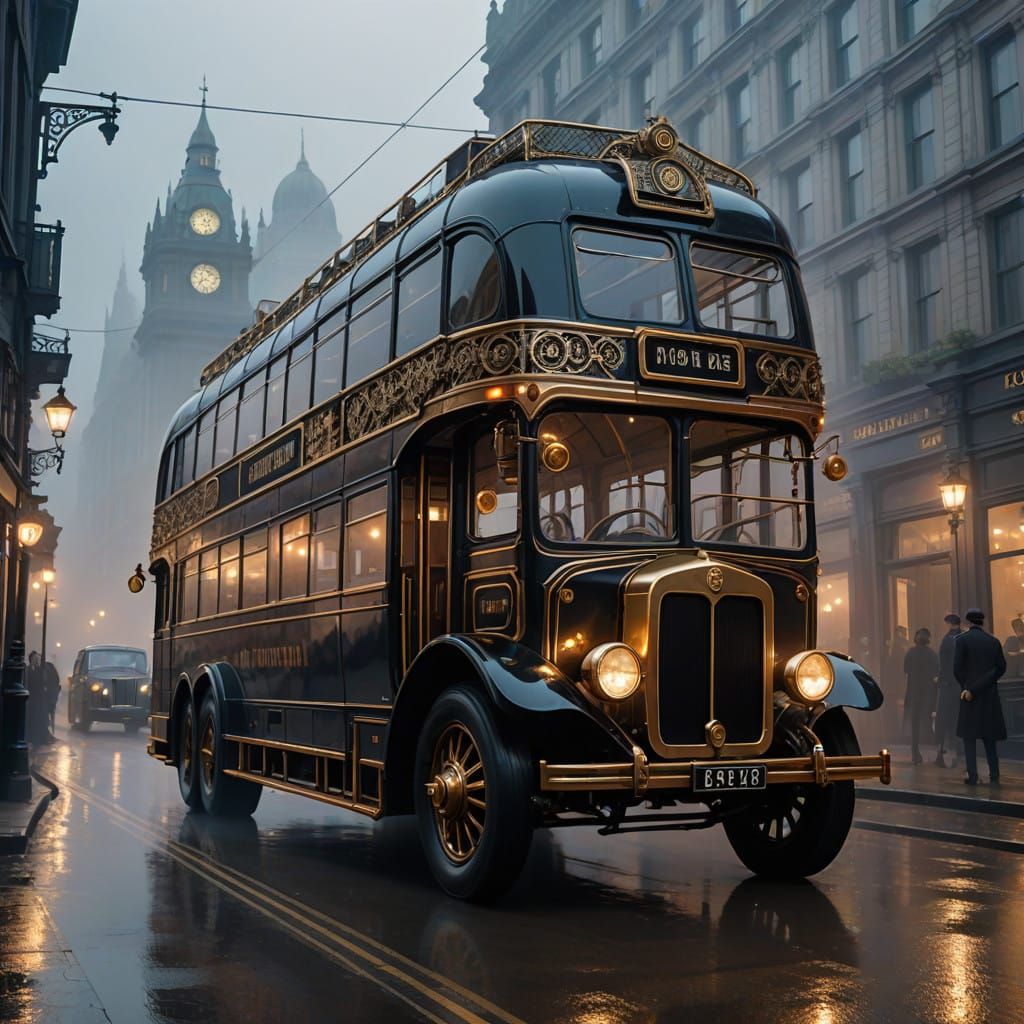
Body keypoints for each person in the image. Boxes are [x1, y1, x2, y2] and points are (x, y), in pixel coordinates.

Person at [955, 608, 1008, 785]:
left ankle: (973, 775)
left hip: (969, 697)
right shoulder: (994, 641)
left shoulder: (961, 640)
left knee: (969, 739)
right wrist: (979, 686)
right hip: (989, 696)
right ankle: (994, 774)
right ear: (982, 622)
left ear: (968, 622)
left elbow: (957, 669)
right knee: (989, 738)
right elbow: (1001, 668)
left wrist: (967, 689)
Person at [904, 627, 939, 765]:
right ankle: (937, 750)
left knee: (915, 723)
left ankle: (915, 752)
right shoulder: (932, 654)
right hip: (928, 693)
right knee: (928, 721)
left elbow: (905, 670)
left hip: (913, 692)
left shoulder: (910, 653)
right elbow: (937, 672)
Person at [934, 614, 962, 768]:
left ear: (950, 623)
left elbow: (944, 662)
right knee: (957, 718)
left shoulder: (948, 639)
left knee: (943, 718)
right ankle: (958, 752)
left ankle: (941, 752)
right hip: (960, 684)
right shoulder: (963, 637)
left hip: (948, 684)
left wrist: (941, 678)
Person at [25, 651, 52, 746]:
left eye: (38, 659)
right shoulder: (27, 670)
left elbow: (44, 682)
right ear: (31, 659)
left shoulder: (41, 670)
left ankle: (41, 739)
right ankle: (32, 738)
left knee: (40, 718)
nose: (37, 660)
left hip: (39, 698)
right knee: (32, 719)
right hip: (31, 698)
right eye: (35, 658)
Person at [43, 659, 61, 735]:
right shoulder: (52, 670)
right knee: (52, 712)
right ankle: (52, 730)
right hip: (53, 696)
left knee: (46, 712)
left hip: (47, 696)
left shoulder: (44, 670)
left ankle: (48, 727)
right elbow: (58, 681)